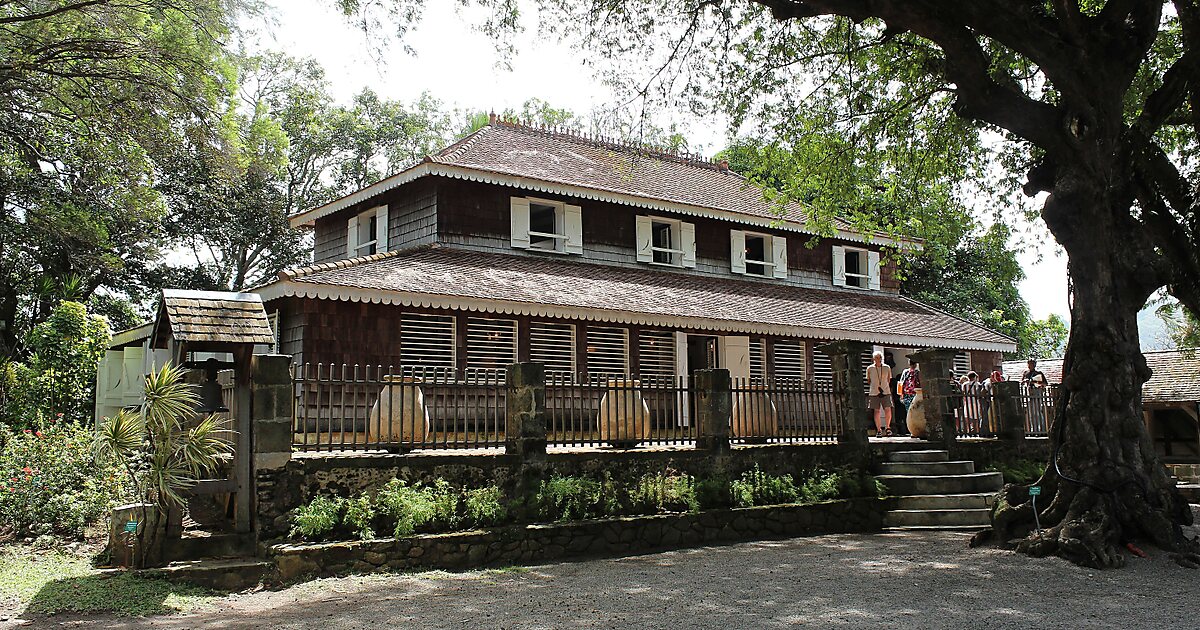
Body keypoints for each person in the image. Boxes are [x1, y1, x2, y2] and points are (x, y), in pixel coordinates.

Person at [866, 351, 893, 437]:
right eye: (877, 357)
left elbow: (889, 380)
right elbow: (868, 380)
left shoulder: (887, 367)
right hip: (874, 392)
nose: (879, 359)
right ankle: (879, 430)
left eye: (880, 357)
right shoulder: (869, 368)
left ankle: (888, 428)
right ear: (873, 359)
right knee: (876, 411)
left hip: (885, 391)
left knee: (888, 409)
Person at [1021, 359, 1048, 434]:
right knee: (1031, 413)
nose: (1030, 366)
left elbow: (1044, 384)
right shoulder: (1026, 373)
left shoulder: (1038, 373)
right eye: (1029, 364)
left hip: (1037, 394)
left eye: (1032, 364)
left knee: (1038, 412)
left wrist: (1033, 381)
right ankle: (1034, 430)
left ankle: (1041, 430)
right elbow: (1022, 383)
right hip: (1029, 394)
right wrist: (1024, 382)